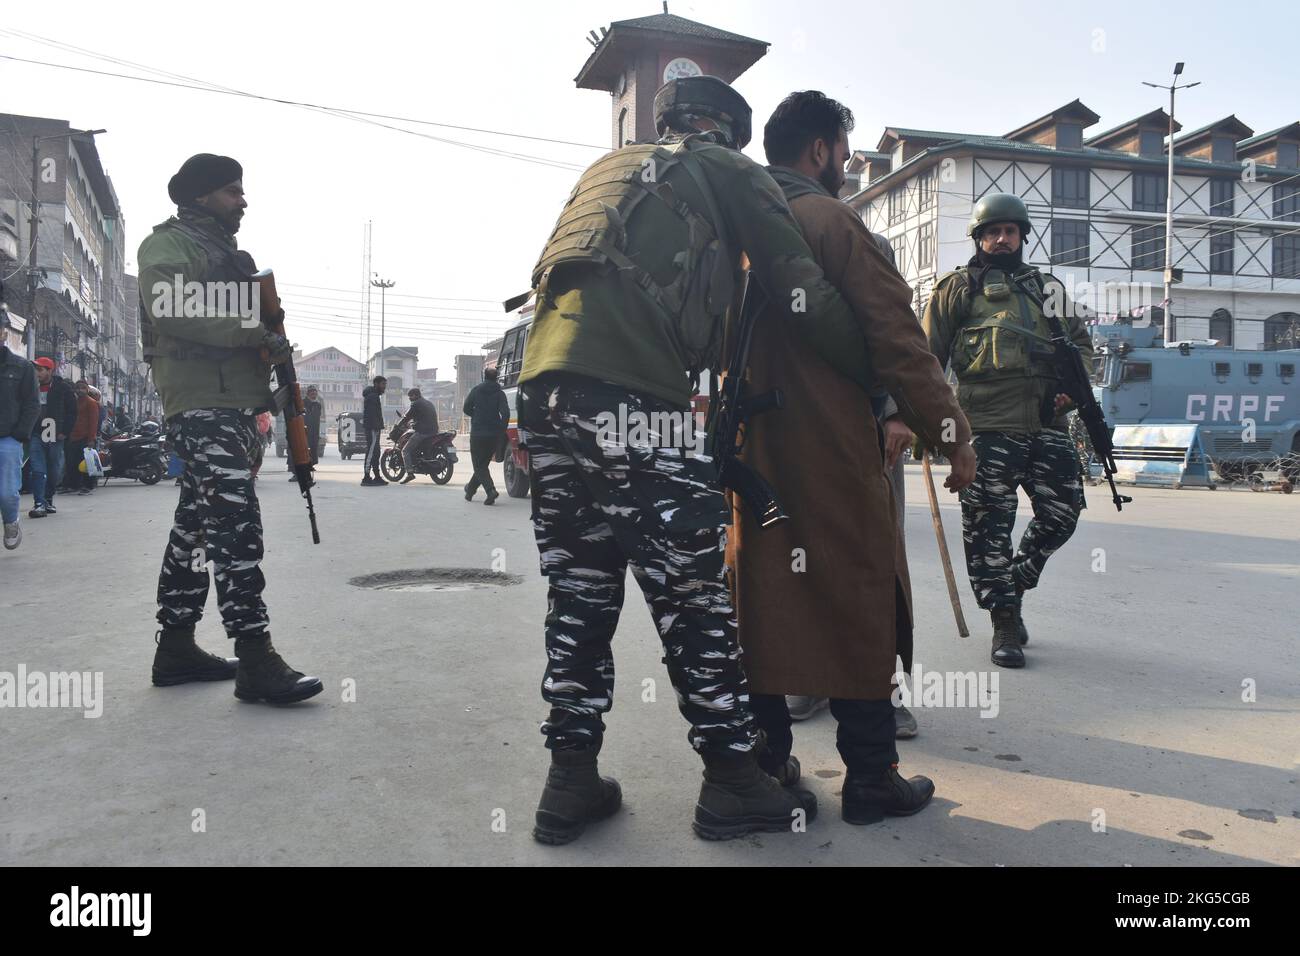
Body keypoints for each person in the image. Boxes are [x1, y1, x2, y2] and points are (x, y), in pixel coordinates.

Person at [517, 75, 881, 845]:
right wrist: (874, 372)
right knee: (693, 596)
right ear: (729, 132)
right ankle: (732, 781)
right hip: (631, 396)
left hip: (543, 390)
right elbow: (799, 291)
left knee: (581, 593)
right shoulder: (729, 171)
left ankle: (569, 781)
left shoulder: (607, 172)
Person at [729, 91, 974, 824]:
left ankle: (768, 763)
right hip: (832, 445)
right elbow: (897, 338)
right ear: (820, 151)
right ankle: (871, 776)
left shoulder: (732, 231)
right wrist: (954, 435)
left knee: (762, 598)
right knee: (861, 588)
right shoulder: (830, 221)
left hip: (749, 449)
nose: (844, 160)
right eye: (844, 146)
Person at [138, 152, 322, 703]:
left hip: (234, 405)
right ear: (199, 196)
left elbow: (249, 330)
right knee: (234, 525)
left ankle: (175, 648)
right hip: (200, 405)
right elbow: (169, 309)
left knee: (194, 529)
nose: (243, 201)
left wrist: (273, 364)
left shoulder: (229, 255)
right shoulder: (168, 246)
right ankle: (255, 658)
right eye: (231, 191)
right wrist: (253, 332)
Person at [922, 192, 1091, 668]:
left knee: (1064, 514)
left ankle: (1013, 582)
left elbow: (1082, 348)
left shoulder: (1048, 288)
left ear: (1021, 237)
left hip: (1046, 423)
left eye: (1009, 232)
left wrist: (1071, 393)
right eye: (992, 232)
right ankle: (1005, 620)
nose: (1001, 239)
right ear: (979, 238)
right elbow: (925, 357)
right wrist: (923, 425)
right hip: (986, 427)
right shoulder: (955, 290)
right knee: (988, 527)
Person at [1, 309, 38, 550]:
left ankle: (11, 521)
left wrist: (19, 434)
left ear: (3, 333)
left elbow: (32, 403)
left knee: (6, 493)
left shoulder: (21, 367)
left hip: (7, 439)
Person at [27, 357, 76, 518]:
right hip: (35, 434)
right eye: (36, 369)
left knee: (53, 468)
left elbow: (72, 412)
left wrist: (65, 431)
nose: (37, 373)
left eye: (40, 370)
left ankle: (48, 498)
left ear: (50, 371)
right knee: (37, 469)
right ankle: (39, 503)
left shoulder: (63, 388)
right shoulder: (30, 387)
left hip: (56, 434)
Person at [462, 367, 509, 505]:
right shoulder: (500, 394)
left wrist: (476, 416)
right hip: (493, 434)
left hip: (478, 433)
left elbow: (466, 408)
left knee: (479, 466)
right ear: (496, 378)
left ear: (484, 377)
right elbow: (505, 414)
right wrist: (501, 429)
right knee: (482, 465)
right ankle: (470, 490)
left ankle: (490, 490)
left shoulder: (476, 390)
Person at [395, 387, 440, 484]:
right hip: (434, 431)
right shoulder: (429, 403)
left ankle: (410, 473)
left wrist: (397, 426)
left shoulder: (416, 404)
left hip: (422, 432)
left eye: (410, 396)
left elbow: (406, 417)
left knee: (405, 450)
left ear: (415, 395)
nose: (410, 398)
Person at [68, 380, 100, 495]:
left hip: (86, 437)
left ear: (87, 390)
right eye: (77, 388)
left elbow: (93, 422)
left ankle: (88, 486)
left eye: (82, 388)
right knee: (75, 463)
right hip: (74, 437)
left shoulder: (91, 403)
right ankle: (76, 485)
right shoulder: (75, 402)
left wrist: (91, 439)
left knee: (88, 463)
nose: (79, 390)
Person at [291, 384, 323, 479]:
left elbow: (317, 420)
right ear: (308, 393)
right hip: (303, 432)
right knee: (301, 453)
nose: (313, 393)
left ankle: (307, 472)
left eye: (315, 392)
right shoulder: (303, 403)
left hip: (314, 433)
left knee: (311, 453)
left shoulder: (317, 405)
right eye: (311, 392)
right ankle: (297, 474)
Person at [360, 376, 387, 486]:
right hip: (372, 428)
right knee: (371, 452)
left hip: (375, 428)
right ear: (376, 384)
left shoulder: (374, 395)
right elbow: (371, 414)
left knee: (376, 452)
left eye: (385, 384)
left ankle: (376, 476)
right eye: (383, 384)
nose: (384, 386)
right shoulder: (372, 396)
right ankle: (366, 477)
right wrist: (376, 427)